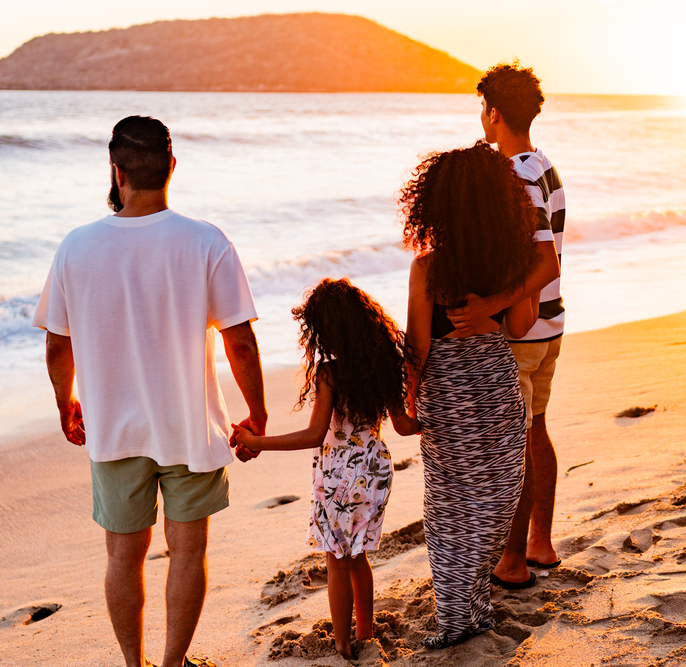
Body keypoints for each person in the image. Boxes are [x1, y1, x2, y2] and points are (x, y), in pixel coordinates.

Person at [34, 115, 267, 667]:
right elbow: (240, 341)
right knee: (188, 551)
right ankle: (171, 664)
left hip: (114, 429)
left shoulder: (77, 246)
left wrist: (65, 403)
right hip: (189, 425)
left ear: (115, 172)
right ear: (171, 168)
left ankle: (133, 662)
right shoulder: (205, 240)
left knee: (123, 553)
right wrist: (256, 412)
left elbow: (57, 346)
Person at [399, 142, 542, 649]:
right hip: (496, 382)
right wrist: (516, 289)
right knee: (498, 494)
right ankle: (471, 603)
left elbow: (417, 345)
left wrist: (406, 403)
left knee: (449, 502)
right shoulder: (509, 264)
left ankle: (458, 611)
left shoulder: (428, 267)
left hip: (449, 387)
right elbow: (522, 326)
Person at [230, 278, 419, 660]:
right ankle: (364, 631)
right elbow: (403, 425)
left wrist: (259, 443)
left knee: (337, 559)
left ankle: (341, 641)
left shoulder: (330, 373)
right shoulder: (384, 363)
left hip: (338, 474)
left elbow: (316, 434)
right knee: (359, 556)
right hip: (375, 467)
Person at [448, 62, 566, 589]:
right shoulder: (544, 165)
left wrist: (488, 305)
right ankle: (539, 543)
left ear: (494, 113)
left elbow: (545, 263)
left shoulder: (516, 174)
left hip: (524, 332)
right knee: (534, 430)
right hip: (551, 324)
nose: (481, 119)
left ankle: (513, 559)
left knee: (513, 446)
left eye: (482, 110)